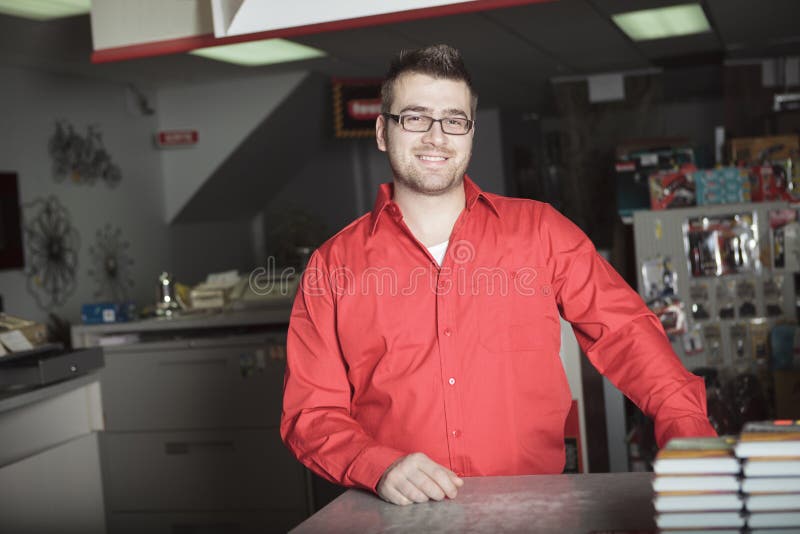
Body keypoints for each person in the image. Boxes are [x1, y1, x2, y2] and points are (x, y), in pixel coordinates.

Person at [280, 44, 716, 506]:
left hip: (535, 511)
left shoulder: (541, 232)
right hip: (399, 519)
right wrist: (378, 465)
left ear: (470, 133)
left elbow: (629, 335)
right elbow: (310, 414)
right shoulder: (332, 267)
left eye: (454, 120)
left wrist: (691, 442)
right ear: (383, 132)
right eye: (414, 117)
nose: (436, 136)